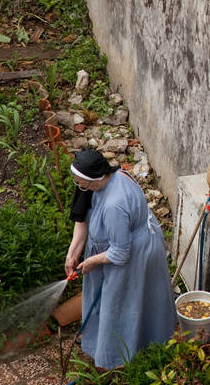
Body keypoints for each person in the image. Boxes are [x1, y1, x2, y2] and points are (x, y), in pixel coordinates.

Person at [65, 148, 176, 370]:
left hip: (132, 254)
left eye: (81, 181)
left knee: (122, 303)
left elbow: (120, 253)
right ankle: (115, 343)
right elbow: (82, 215)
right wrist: (73, 251)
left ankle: (121, 355)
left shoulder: (114, 205)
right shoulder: (112, 176)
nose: (79, 185)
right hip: (129, 244)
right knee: (123, 299)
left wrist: (92, 261)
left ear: (93, 178)